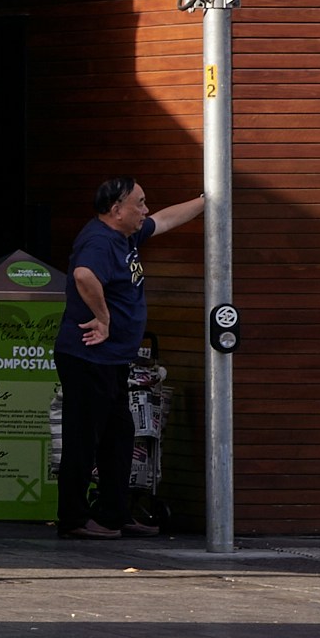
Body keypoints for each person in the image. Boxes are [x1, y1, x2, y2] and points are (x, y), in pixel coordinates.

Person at [61, 174, 208, 538]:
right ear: (116, 210)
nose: (145, 210)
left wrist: (208, 200)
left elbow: (165, 219)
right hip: (88, 358)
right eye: (139, 203)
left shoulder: (125, 236)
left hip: (111, 360)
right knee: (84, 438)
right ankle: (74, 519)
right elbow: (84, 275)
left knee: (119, 436)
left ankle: (114, 512)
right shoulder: (99, 241)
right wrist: (104, 319)